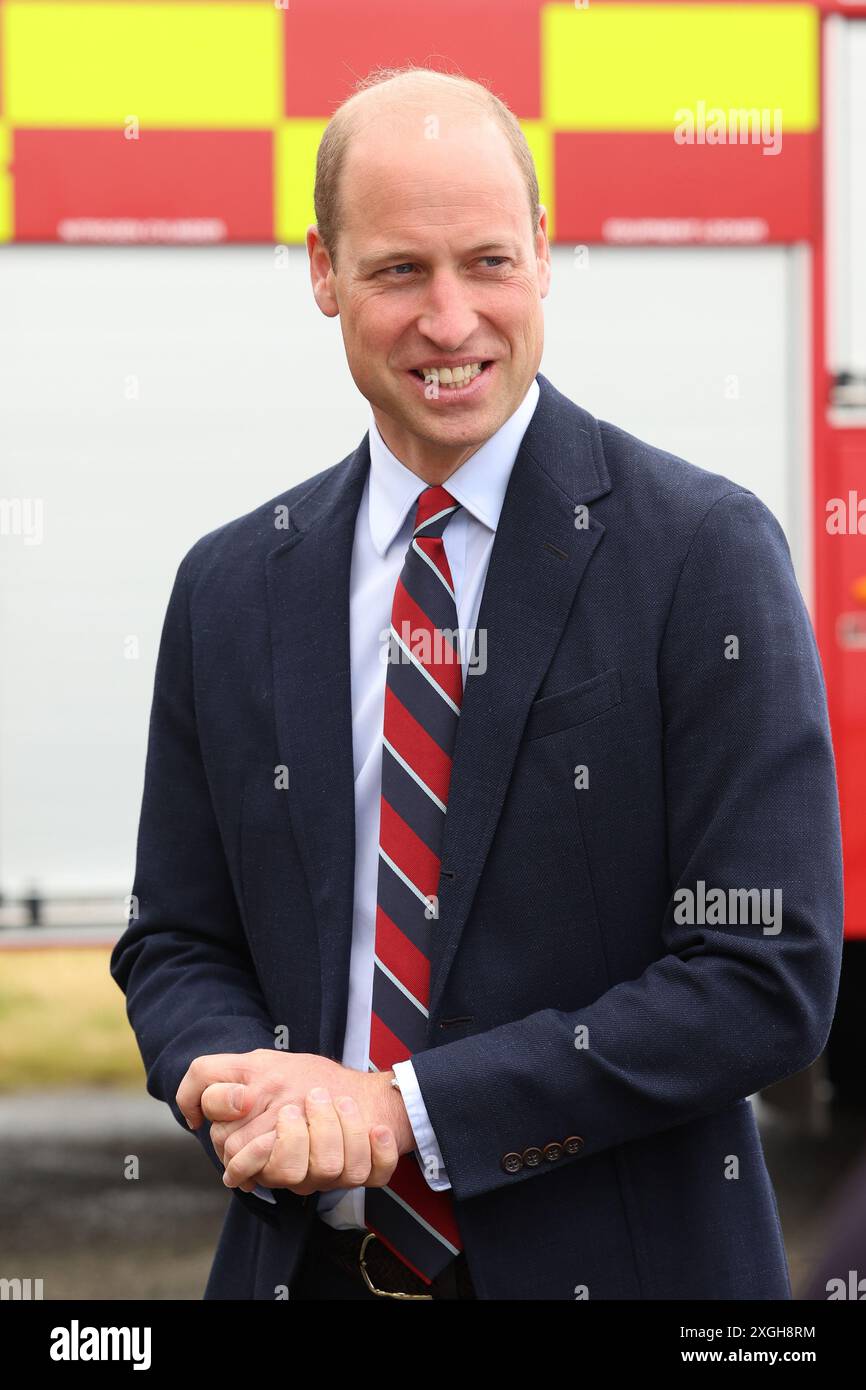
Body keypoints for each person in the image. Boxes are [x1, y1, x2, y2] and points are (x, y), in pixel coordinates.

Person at [110, 65, 844, 1301]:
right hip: (302, 1271)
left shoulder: (700, 554)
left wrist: (399, 1110)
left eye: (488, 263)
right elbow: (177, 936)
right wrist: (227, 1076)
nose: (450, 321)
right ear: (322, 271)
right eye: (400, 270)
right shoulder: (229, 586)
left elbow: (757, 976)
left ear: (544, 258)